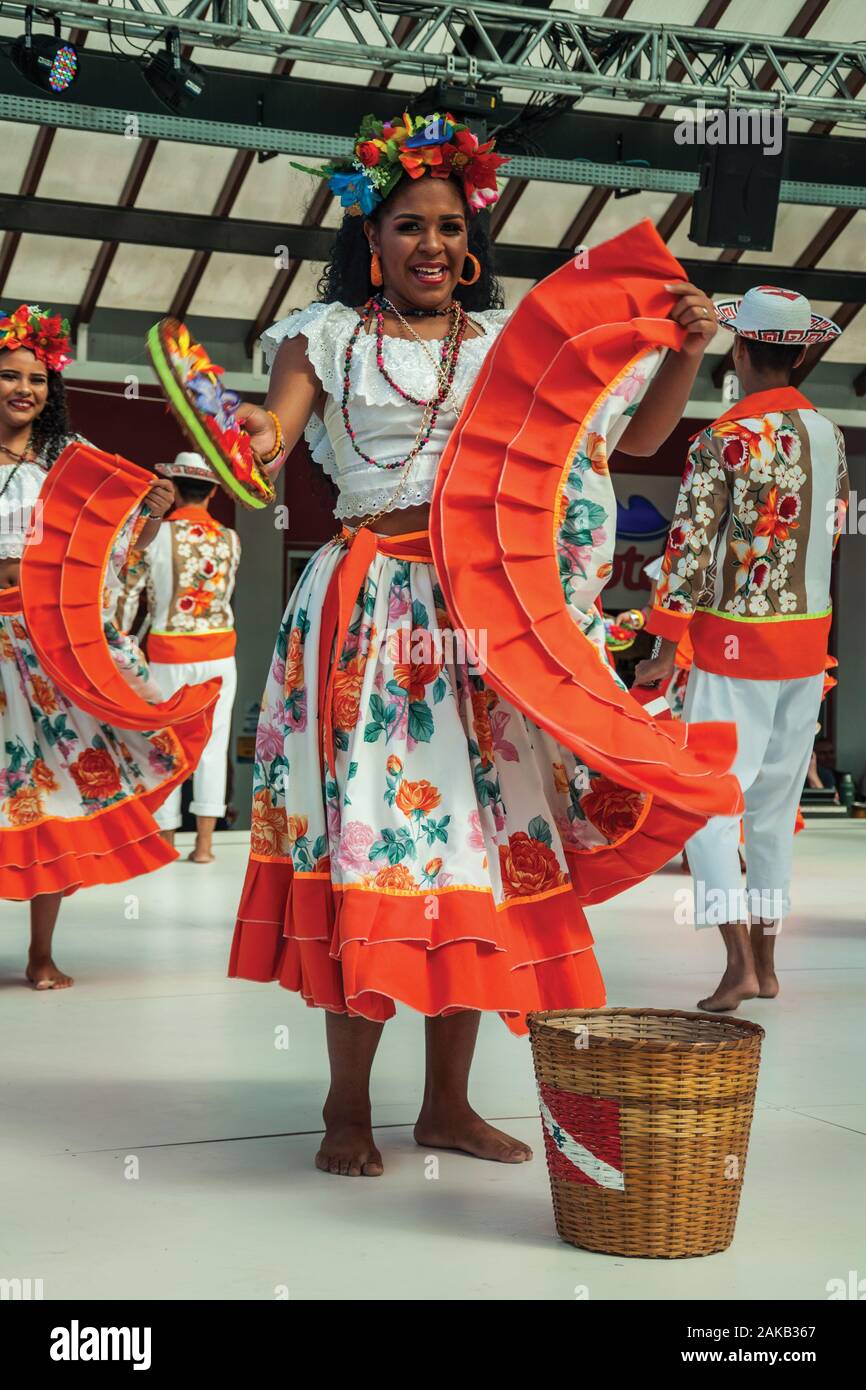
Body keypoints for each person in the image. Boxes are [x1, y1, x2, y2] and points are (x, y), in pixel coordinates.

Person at [226, 110, 728, 1178]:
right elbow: (270, 438)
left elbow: (633, 436)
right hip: (363, 616)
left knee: (472, 855)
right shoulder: (319, 335)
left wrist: (685, 349)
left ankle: (446, 1105)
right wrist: (237, 438)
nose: (431, 245)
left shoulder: (510, 347)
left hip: (484, 619)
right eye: (408, 225)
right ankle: (344, 1107)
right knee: (369, 849)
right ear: (372, 238)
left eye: (449, 227)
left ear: (472, 240)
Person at [635, 285, 848, 1011]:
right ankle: (768, 960)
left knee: (706, 808)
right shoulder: (829, 435)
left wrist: (663, 644)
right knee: (771, 812)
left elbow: (690, 549)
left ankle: (736, 965)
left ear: (740, 347)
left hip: (734, 648)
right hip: (807, 648)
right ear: (799, 351)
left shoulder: (723, 439)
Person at [0, 304, 203, 989]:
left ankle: (40, 952)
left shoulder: (65, 464)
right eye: (8, 376)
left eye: (35, 378)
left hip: (45, 642)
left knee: (54, 794)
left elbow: (104, 563)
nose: (23, 388)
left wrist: (147, 522)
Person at [117, 451, 240, 863]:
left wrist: (120, 640)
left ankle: (166, 840)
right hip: (220, 651)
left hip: (168, 652)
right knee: (214, 742)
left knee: (165, 742)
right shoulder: (229, 539)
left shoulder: (154, 537)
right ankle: (204, 846)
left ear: (176, 490)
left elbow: (129, 594)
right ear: (211, 493)